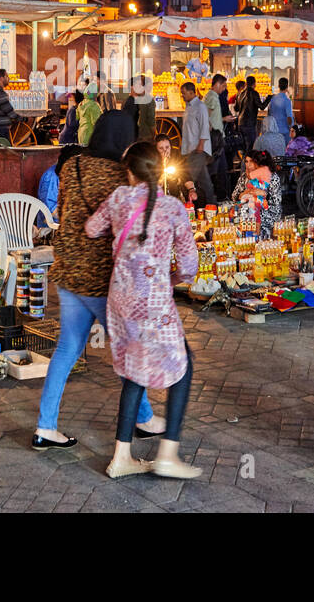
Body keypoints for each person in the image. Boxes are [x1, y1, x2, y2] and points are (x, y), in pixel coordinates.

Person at [33, 112, 168, 450]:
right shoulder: (125, 177)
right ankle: (145, 419)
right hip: (103, 279)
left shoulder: (72, 166)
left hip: (67, 270)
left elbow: (62, 212)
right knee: (126, 351)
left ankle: (45, 426)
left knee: (66, 348)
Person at [85, 140, 201, 479]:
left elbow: (91, 229)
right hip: (154, 303)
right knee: (183, 365)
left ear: (129, 170)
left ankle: (122, 456)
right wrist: (173, 276)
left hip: (120, 299)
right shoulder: (174, 208)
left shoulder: (118, 198)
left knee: (135, 368)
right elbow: (191, 265)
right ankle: (168, 453)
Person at [178, 81, 216, 206]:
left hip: (197, 149)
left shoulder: (200, 106)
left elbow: (205, 126)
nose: (182, 95)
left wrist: (201, 144)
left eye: (183, 93)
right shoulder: (189, 106)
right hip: (190, 149)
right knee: (205, 182)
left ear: (191, 92)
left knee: (188, 178)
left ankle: (187, 206)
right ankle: (211, 206)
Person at [231, 149, 282, 238]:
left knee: (251, 214)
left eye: (251, 161)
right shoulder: (244, 177)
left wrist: (264, 194)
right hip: (247, 206)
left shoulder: (272, 177)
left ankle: (256, 237)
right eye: (246, 162)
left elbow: (276, 201)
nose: (248, 165)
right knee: (236, 213)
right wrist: (244, 194)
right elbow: (234, 196)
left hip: (268, 210)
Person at [208, 73, 230, 197]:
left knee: (221, 167)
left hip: (217, 138)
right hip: (215, 139)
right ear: (217, 84)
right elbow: (206, 115)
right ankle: (217, 194)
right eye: (223, 86)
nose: (224, 89)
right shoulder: (212, 97)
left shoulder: (214, 96)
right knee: (218, 168)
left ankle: (220, 194)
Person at [122, 74, 156, 142]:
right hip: (146, 136)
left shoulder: (132, 98)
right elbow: (151, 120)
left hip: (133, 136)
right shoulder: (148, 100)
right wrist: (154, 135)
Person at [0, 68, 19, 142]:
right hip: (1, 127)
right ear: (2, 78)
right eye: (7, 76)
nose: (8, 79)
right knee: (5, 150)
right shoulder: (1, 94)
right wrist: (24, 119)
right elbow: (10, 112)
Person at [234, 76, 263, 150]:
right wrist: (269, 98)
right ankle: (247, 160)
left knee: (243, 147)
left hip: (240, 124)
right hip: (249, 125)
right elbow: (262, 106)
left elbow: (236, 108)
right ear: (254, 84)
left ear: (246, 83)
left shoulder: (240, 93)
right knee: (251, 147)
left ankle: (244, 161)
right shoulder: (254, 93)